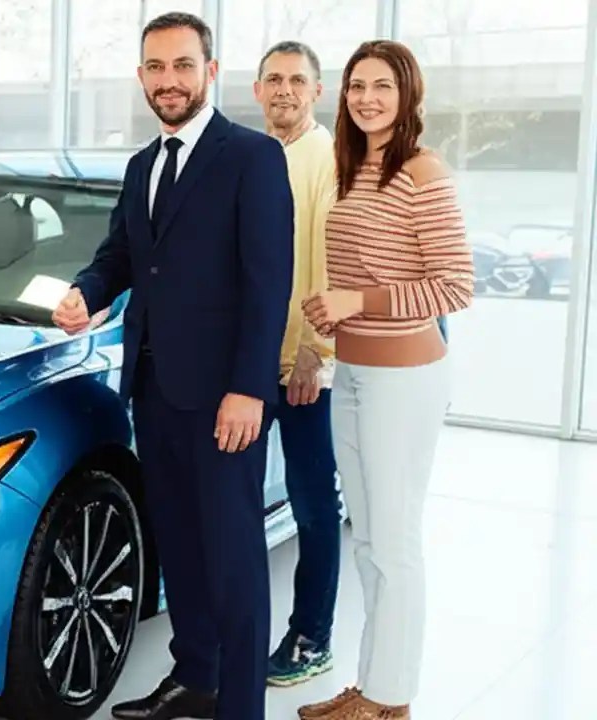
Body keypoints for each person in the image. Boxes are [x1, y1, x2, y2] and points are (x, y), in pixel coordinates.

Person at [53, 11, 293, 720]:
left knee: (234, 561)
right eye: (155, 68)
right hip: (153, 392)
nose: (169, 81)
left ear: (210, 72)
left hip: (226, 399)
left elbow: (267, 281)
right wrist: (86, 293)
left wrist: (249, 389)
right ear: (141, 77)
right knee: (180, 550)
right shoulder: (141, 165)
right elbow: (124, 256)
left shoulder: (251, 156)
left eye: (183, 66)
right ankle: (196, 679)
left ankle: (241, 706)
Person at [298, 39, 473, 720]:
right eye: (356, 85)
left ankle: (389, 699)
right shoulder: (356, 166)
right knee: (367, 537)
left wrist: (356, 303)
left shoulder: (422, 172)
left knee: (393, 542)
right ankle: (373, 686)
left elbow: (455, 286)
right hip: (357, 372)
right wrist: (327, 323)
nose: (367, 97)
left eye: (383, 86)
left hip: (404, 379)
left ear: (408, 96)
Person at [251, 40, 342, 688]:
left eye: (296, 80)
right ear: (258, 90)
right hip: (248, 365)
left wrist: (314, 352)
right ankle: (240, 627)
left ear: (316, 92)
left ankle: (312, 637)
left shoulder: (325, 158)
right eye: (273, 79)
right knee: (236, 506)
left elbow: (328, 260)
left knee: (313, 507)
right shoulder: (251, 157)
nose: (284, 89)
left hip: (304, 364)